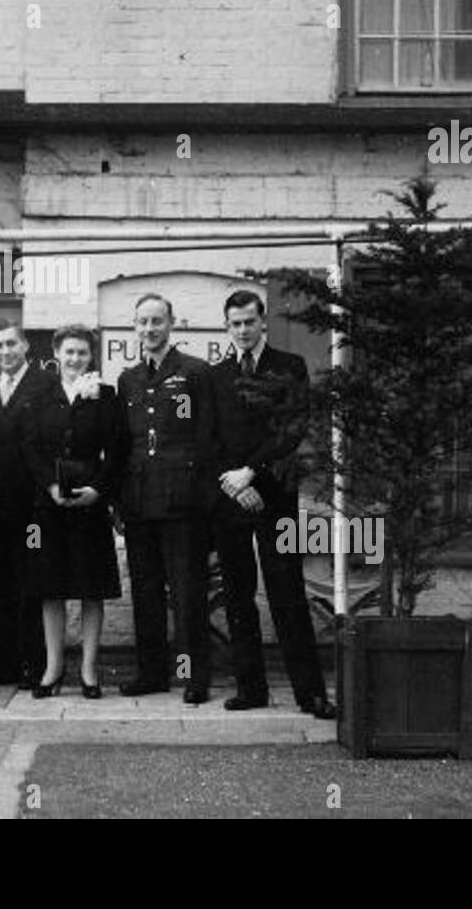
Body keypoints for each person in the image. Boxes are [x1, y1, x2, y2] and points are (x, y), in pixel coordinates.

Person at [211, 289, 336, 719]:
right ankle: (251, 688)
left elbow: (293, 428)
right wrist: (235, 481)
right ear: (226, 327)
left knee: (287, 592)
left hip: (276, 496)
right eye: (234, 323)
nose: (242, 330)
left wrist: (254, 473)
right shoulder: (216, 376)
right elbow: (210, 439)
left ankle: (310, 693)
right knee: (237, 595)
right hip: (231, 499)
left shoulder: (289, 367)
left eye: (249, 321)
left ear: (263, 321)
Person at [116, 293, 217, 705]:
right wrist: (119, 503)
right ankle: (153, 674)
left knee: (187, 593)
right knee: (145, 592)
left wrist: (205, 500)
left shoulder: (195, 372)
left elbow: (208, 438)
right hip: (140, 502)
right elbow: (124, 444)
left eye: (157, 321)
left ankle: (193, 677)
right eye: (142, 322)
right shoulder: (129, 379)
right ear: (134, 327)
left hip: (183, 503)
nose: (149, 329)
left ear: (172, 323)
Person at [18, 326, 123, 699]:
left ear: (90, 356)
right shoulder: (39, 395)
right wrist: (50, 487)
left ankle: (90, 669)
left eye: (82, 353)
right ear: (56, 354)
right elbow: (30, 447)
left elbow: (118, 448)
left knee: (90, 589)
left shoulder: (105, 395)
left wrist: (99, 490)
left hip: (90, 503)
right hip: (50, 505)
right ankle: (53, 666)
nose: (75, 359)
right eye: (69, 352)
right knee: (51, 588)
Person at [0, 319, 57, 689]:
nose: (5, 352)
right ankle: (5, 663)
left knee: (31, 585)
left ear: (25, 347)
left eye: (10, 344)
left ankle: (33, 666)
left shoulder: (46, 384)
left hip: (33, 510)